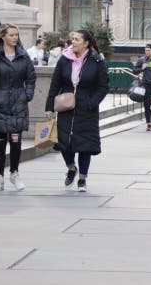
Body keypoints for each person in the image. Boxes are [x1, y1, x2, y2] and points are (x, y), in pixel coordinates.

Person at [45, 30, 108, 192]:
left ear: (86, 43)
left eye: (77, 39)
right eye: (72, 39)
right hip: (66, 106)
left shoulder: (96, 60)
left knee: (85, 144)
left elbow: (103, 86)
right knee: (64, 143)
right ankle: (71, 168)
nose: (73, 42)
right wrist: (49, 107)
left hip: (87, 108)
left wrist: (92, 102)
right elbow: (55, 84)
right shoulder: (64, 59)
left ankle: (82, 178)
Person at [0, 24, 36, 192]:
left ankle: (14, 173)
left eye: (17, 35)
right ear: (3, 36)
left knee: (16, 141)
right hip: (0, 104)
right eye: (11, 35)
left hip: (18, 104)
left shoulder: (23, 55)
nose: (15, 38)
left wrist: (27, 95)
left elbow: (31, 78)